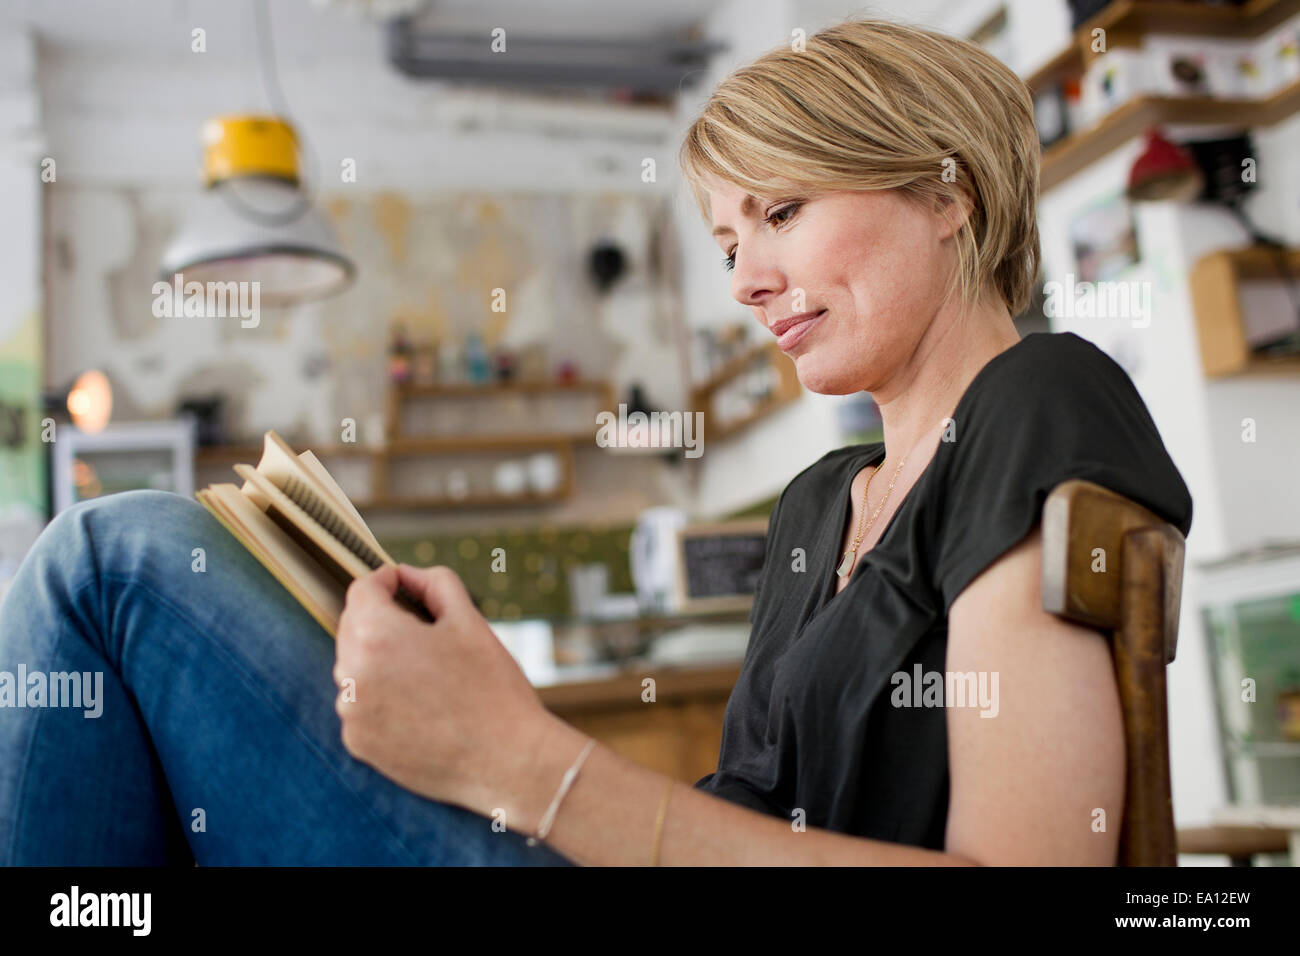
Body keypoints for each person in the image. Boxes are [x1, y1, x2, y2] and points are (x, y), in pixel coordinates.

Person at [0, 17, 1191, 866]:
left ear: (947, 195)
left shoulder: (1038, 397)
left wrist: (531, 765)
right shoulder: (819, 501)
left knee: (113, 562)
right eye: (728, 243)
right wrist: (509, 731)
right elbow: (734, 815)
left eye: (780, 212)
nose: (746, 279)